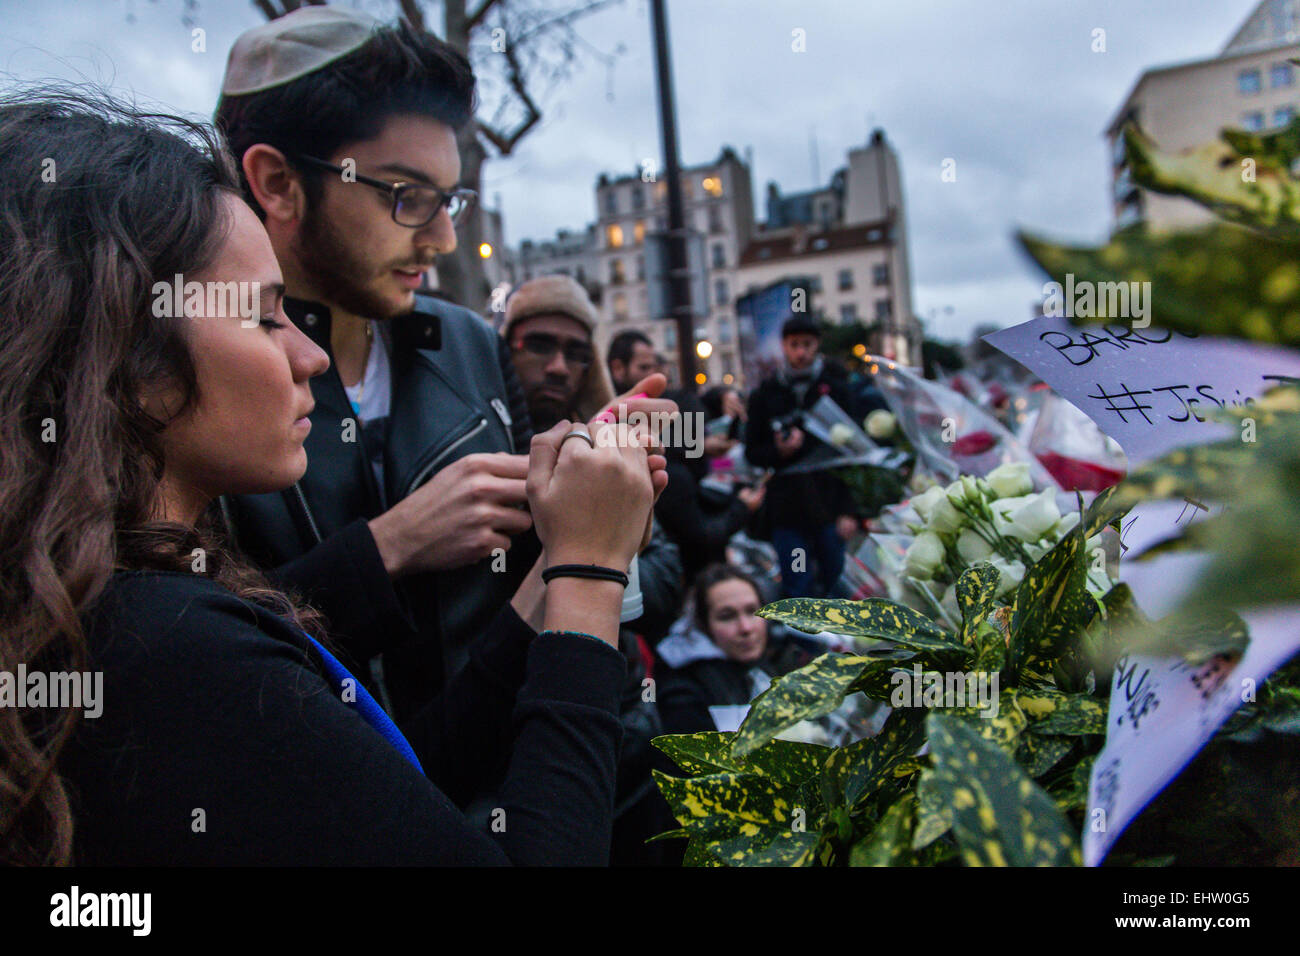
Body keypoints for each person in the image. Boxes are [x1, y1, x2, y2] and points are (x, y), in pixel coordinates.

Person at [0, 89, 664, 865]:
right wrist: (589, 577)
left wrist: (553, 572)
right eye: (263, 317)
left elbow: (388, 794)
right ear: (123, 353)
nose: (310, 358)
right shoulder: (171, 651)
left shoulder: (115, 604)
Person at [212, 7, 674, 716]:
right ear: (277, 182)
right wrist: (387, 549)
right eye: (407, 197)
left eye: (450, 198)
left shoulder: (468, 343)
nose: (444, 237)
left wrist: (592, 483)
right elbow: (200, 668)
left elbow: (564, 579)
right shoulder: (195, 379)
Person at [745, 315, 862, 598]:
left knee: (838, 584)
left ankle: (841, 643)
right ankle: (805, 642)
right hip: (788, 510)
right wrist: (778, 452)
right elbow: (752, 452)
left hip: (829, 507)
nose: (800, 352)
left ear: (817, 345)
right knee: (798, 588)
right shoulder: (765, 393)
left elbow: (854, 452)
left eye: (807, 344)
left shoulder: (837, 389)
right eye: (794, 344)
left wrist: (849, 510)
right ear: (784, 346)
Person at [655, 565, 816, 737]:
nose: (745, 628)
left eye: (752, 611)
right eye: (727, 616)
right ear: (704, 626)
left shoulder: (761, 665)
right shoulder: (683, 697)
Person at [501, 274, 615, 430]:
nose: (559, 368)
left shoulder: (605, 445)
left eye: (576, 354)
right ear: (507, 349)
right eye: (539, 347)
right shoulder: (467, 444)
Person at [607, 329, 660, 395]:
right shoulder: (621, 404)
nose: (652, 374)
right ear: (618, 368)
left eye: (655, 368)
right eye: (644, 367)